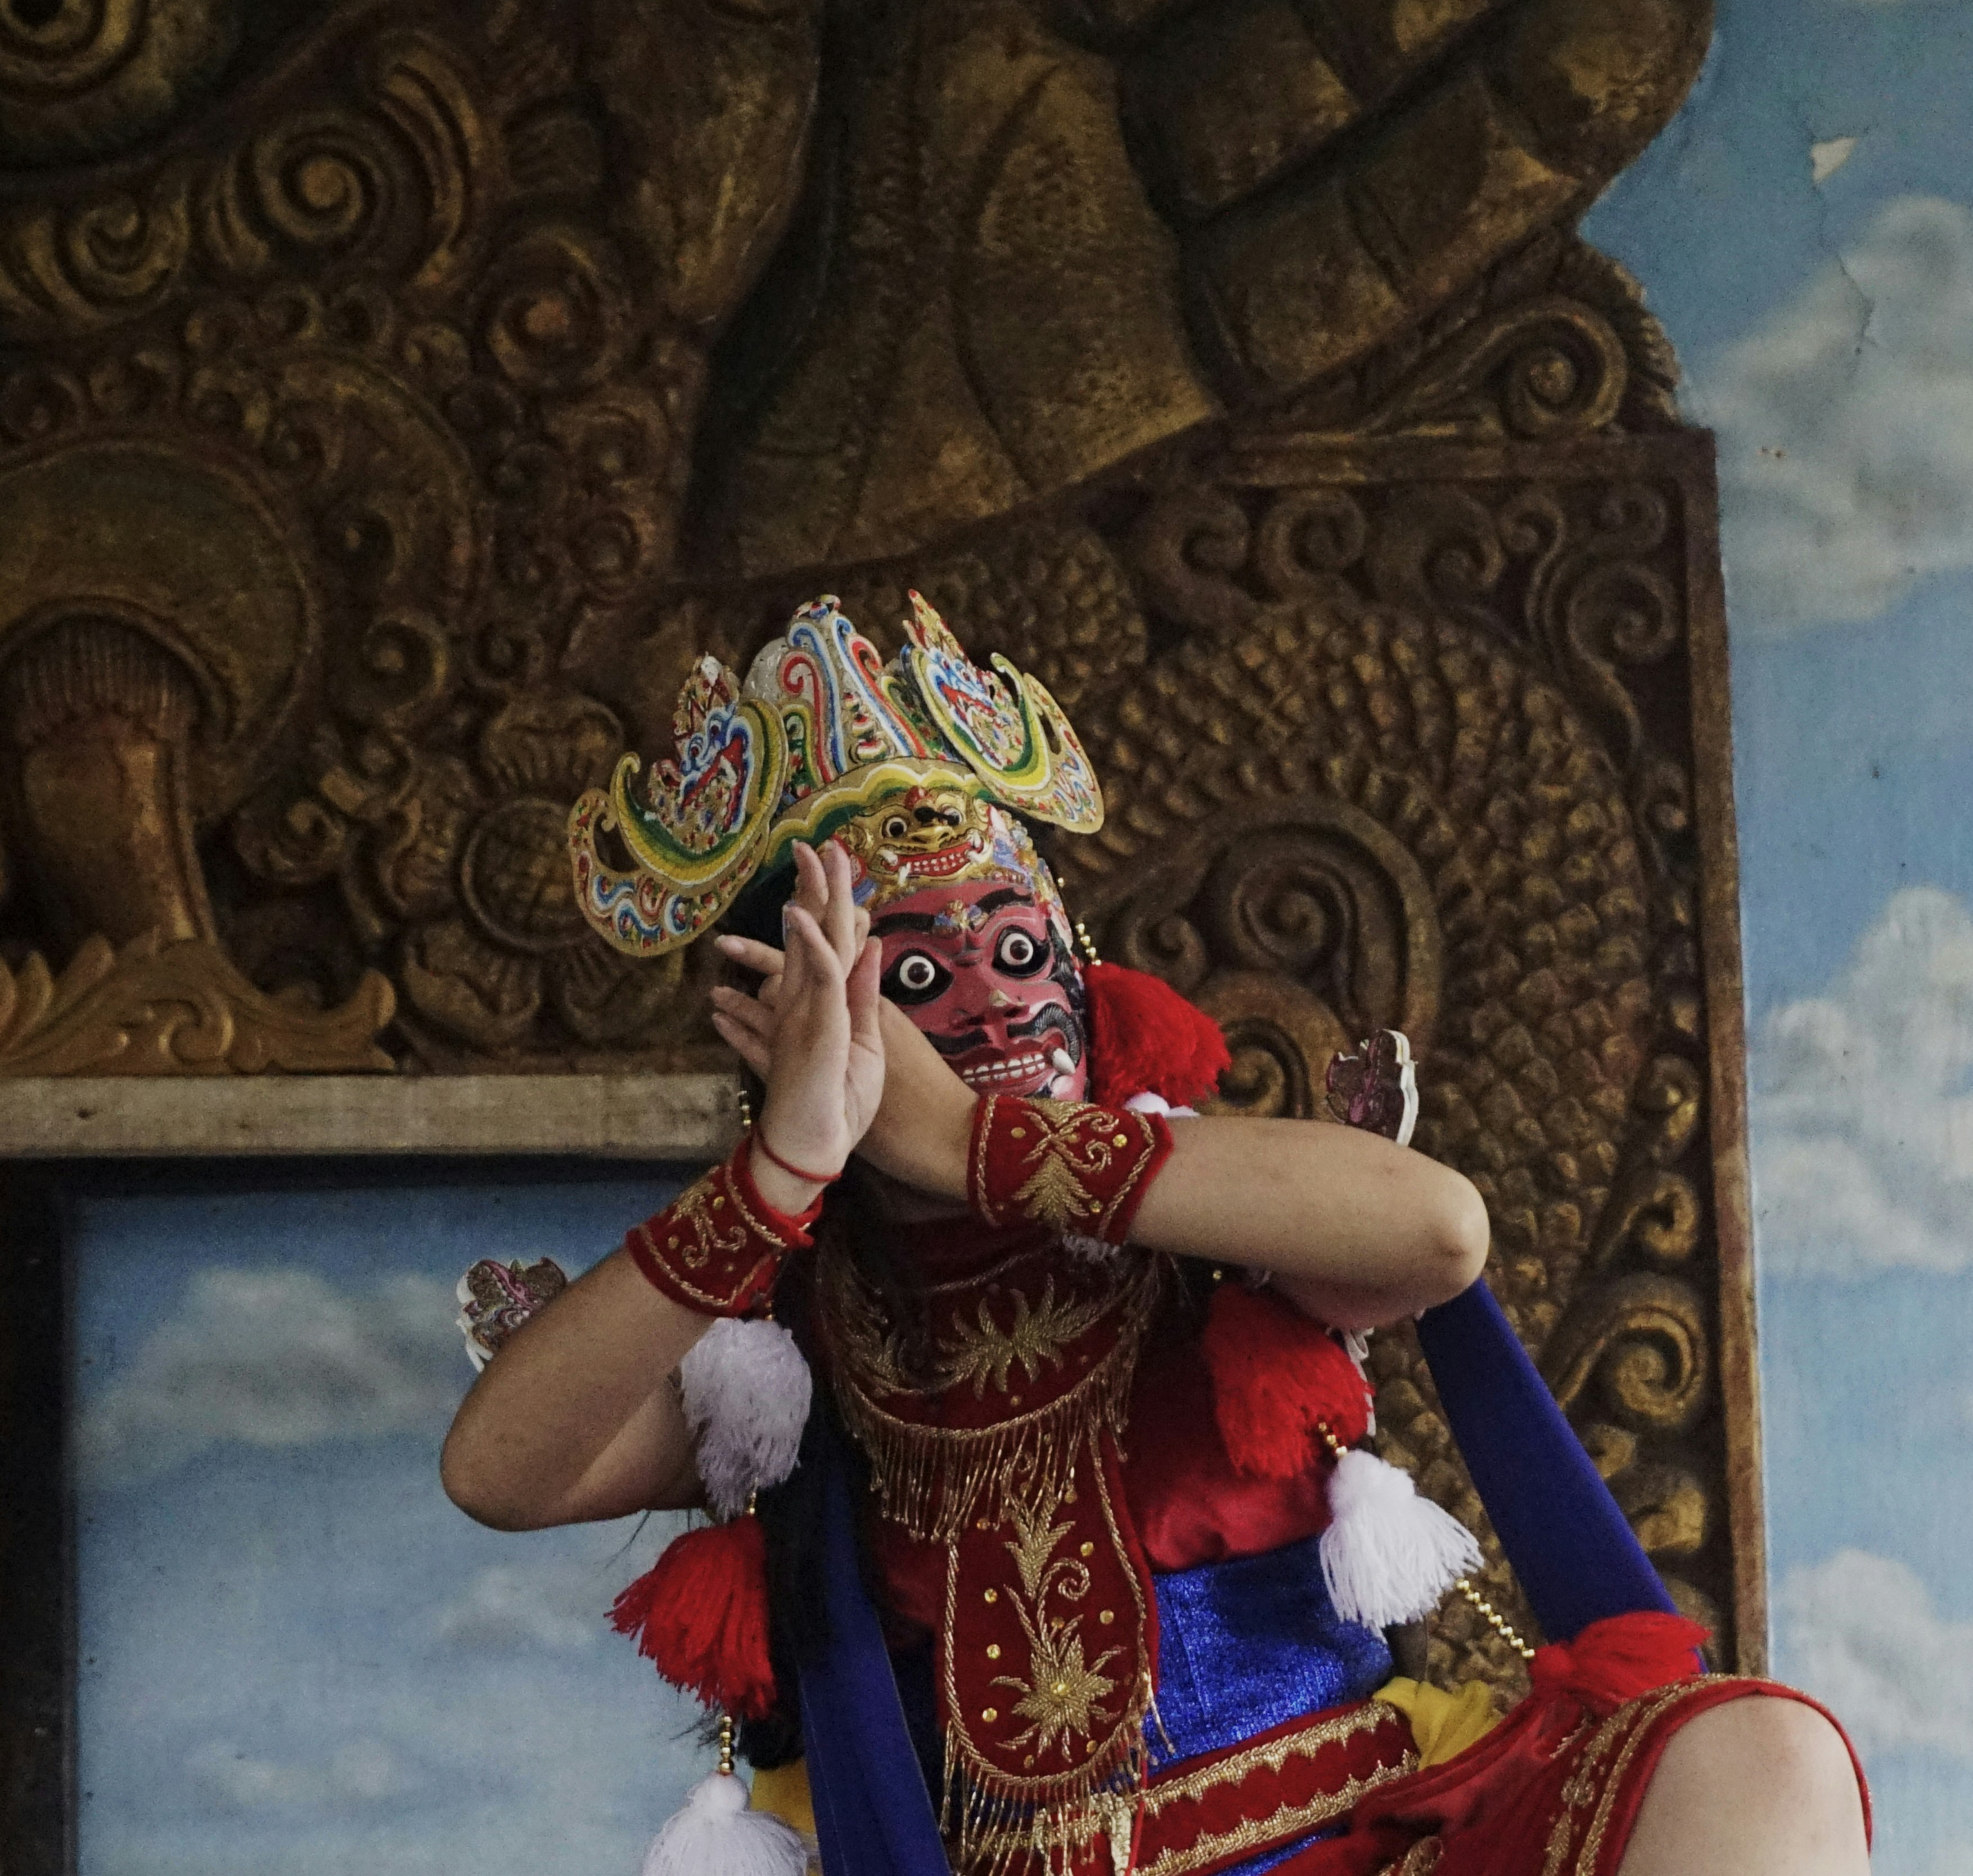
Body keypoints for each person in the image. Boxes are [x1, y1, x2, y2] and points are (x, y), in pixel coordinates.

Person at [441, 595, 1868, 1875]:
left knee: (1765, 1758)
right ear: (803, 1029)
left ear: (1077, 962)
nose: (995, 1008)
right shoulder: (801, 1357)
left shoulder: (1196, 1222)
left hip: (1346, 1838)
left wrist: (969, 1144)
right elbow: (499, 1471)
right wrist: (781, 1174)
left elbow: (1441, 1235)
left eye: (1017, 951)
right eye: (920, 975)